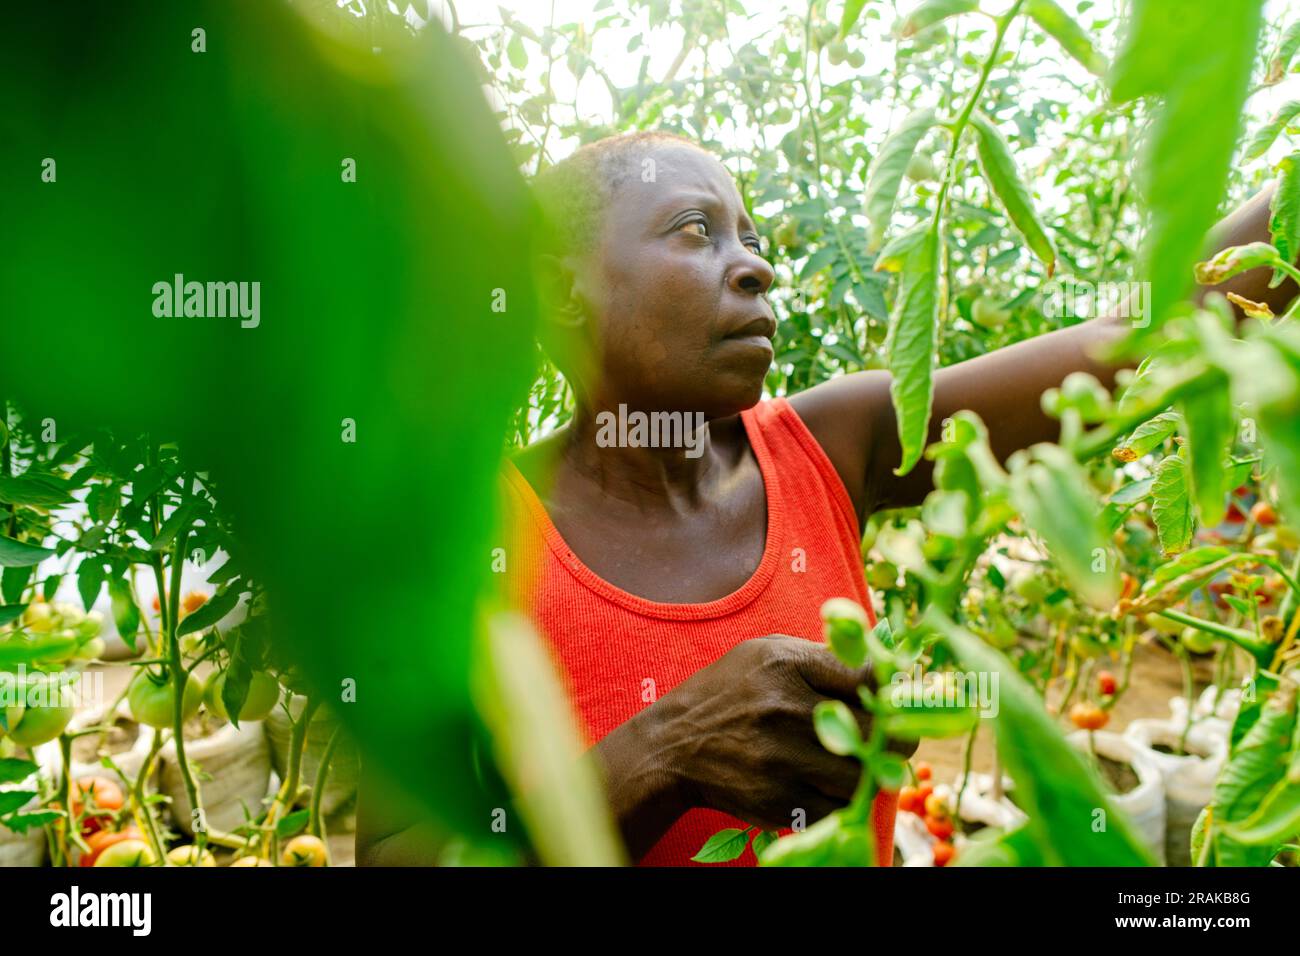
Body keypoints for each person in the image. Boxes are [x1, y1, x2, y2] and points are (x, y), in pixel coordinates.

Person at [357, 130, 1295, 867]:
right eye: (696, 231)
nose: (757, 267)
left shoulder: (834, 444)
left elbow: (1140, 339)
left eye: (754, 240)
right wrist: (665, 748)